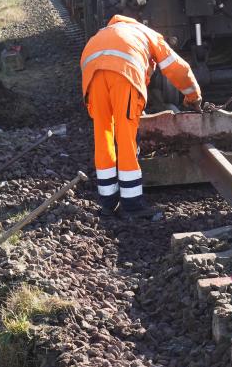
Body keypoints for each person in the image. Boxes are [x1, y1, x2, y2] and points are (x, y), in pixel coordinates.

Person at [80, 13, 203, 218]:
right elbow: (178, 69)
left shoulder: (102, 34)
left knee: (103, 135)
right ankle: (132, 205)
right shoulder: (146, 34)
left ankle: (108, 201)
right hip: (124, 76)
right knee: (126, 139)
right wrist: (193, 96)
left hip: (93, 79)